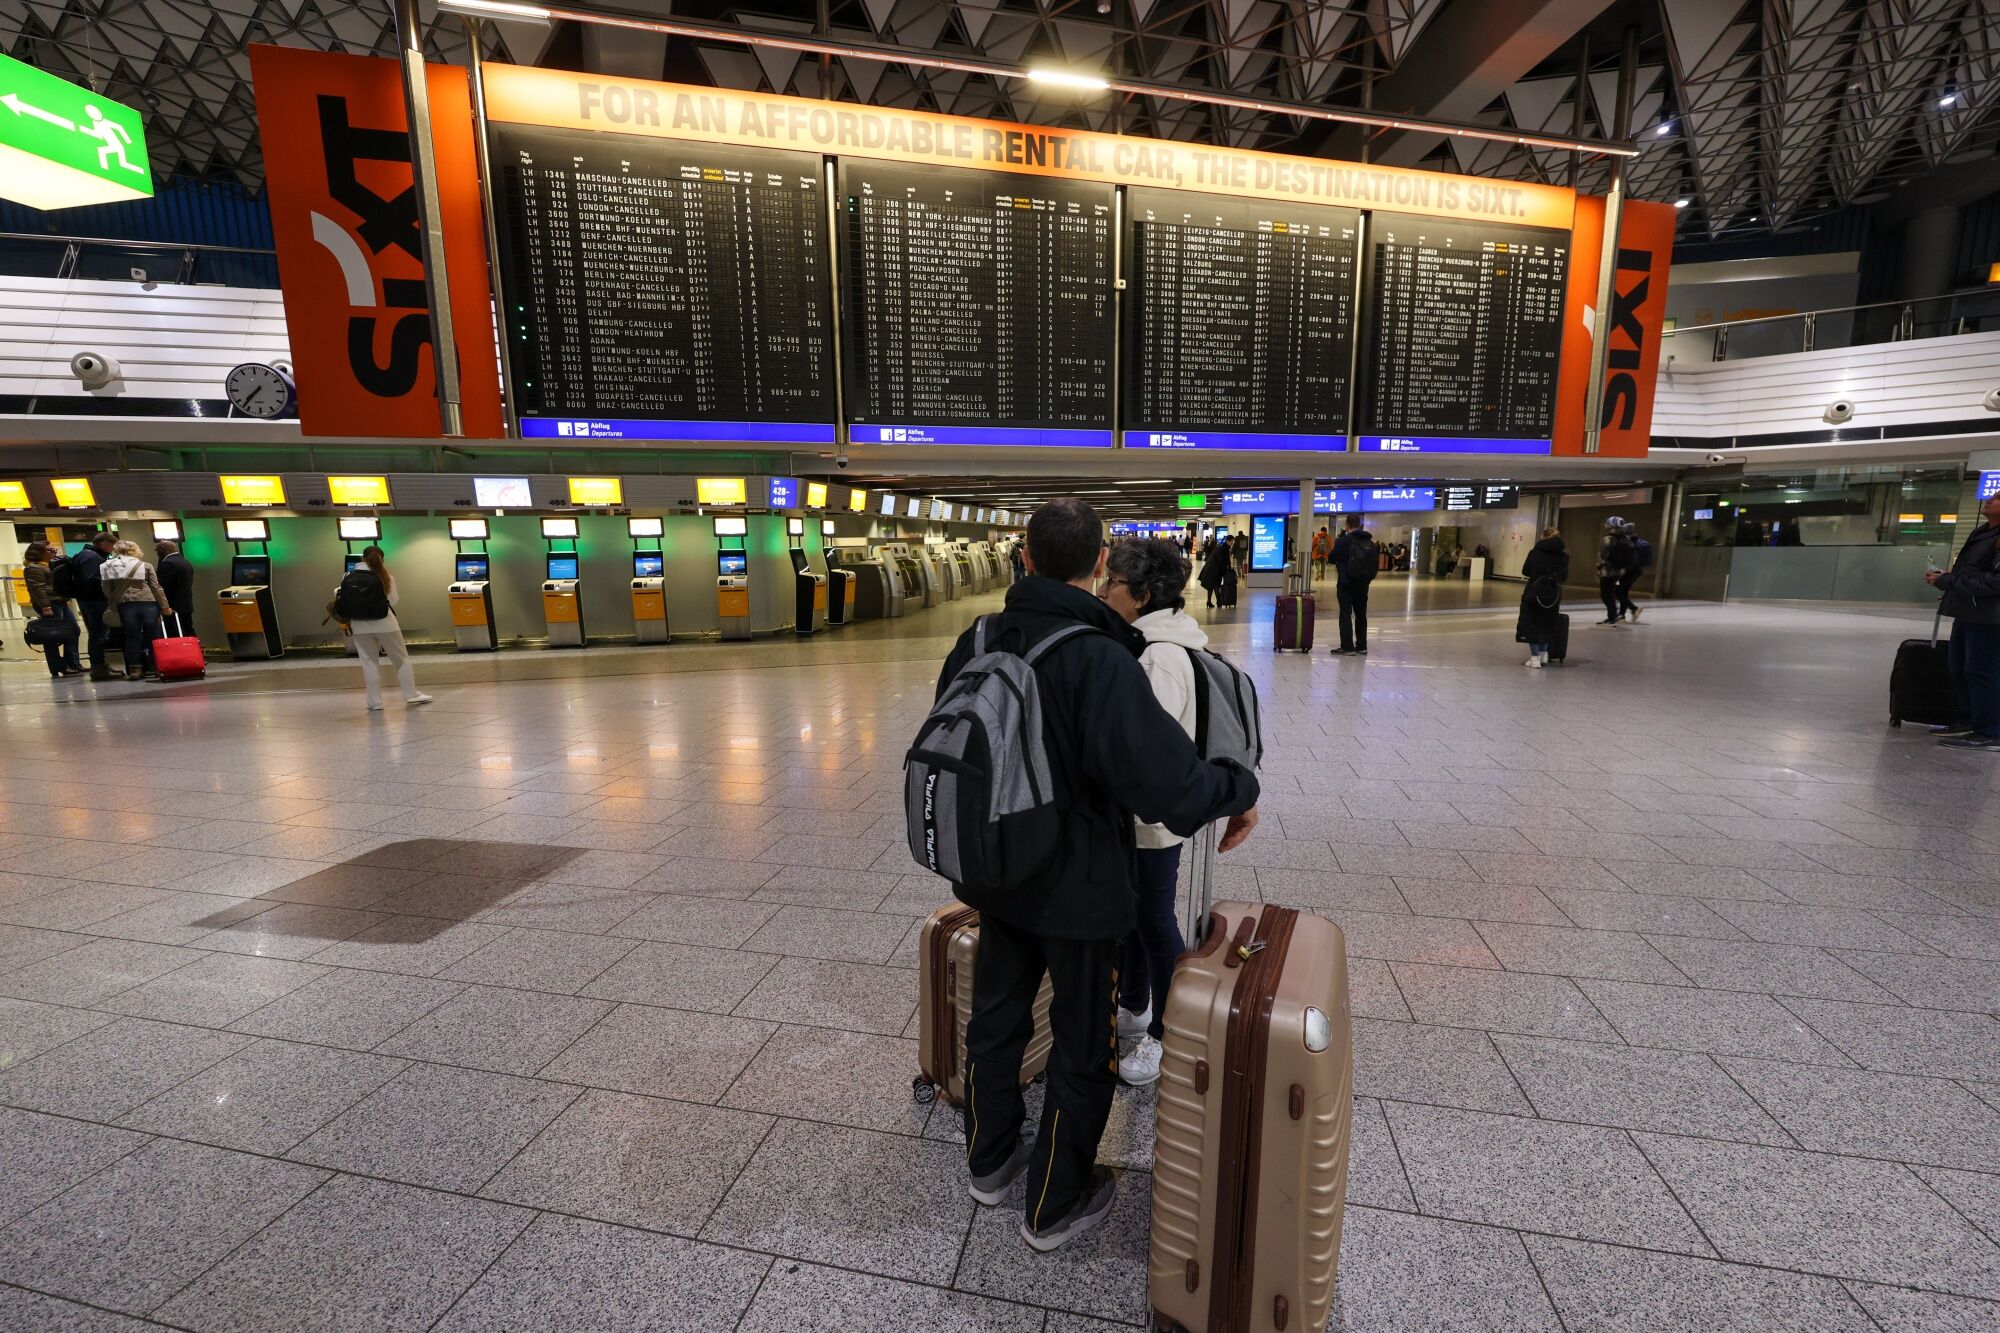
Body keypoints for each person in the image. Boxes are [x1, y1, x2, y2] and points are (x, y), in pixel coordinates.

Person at [941, 498, 1259, 1253]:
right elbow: (1167, 787)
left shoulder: (977, 637)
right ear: (1096, 569)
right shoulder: (1099, 657)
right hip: (1079, 892)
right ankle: (1054, 1201)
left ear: (1022, 558)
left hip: (997, 870)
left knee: (997, 1014)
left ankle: (988, 1163)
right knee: (1084, 1045)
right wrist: (1238, 790)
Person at [1098, 537, 1208, 1087]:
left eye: (1113, 583)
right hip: (1142, 815)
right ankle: (1136, 1004)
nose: (1104, 590)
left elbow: (1143, 748)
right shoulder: (1150, 641)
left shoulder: (1159, 656)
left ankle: (1170, 1034)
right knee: (1136, 919)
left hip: (1152, 819)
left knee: (1156, 923)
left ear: (1140, 595)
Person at [1927, 490, 2000, 748]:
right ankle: (1968, 721)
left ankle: (1990, 731)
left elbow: (1995, 582)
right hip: (1968, 612)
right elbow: (1974, 572)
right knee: (1960, 668)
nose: (1989, 500)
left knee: (1982, 672)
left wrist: (1950, 581)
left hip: (1990, 618)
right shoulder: (1983, 532)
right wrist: (1948, 578)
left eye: (1998, 498)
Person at [333, 546, 433, 712]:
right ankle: (410, 694)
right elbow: (392, 601)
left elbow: (341, 596)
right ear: (382, 559)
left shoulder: (347, 576)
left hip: (358, 626)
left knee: (369, 663)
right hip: (385, 624)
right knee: (401, 659)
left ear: (363, 558)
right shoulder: (386, 577)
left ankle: (374, 702)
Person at [97, 540, 170, 680]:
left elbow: (106, 589)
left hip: (125, 604)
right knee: (154, 636)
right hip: (148, 602)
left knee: (132, 636)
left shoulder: (106, 566)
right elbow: (156, 587)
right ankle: (157, 667)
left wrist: (113, 603)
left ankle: (135, 669)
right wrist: (165, 606)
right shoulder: (145, 565)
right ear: (134, 550)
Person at [21, 541, 84, 680]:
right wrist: (45, 606)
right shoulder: (34, 568)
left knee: (73, 631)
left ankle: (73, 663)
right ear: (39, 552)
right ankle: (57, 667)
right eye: (51, 550)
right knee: (51, 636)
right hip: (50, 604)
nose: (55, 552)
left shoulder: (50, 565)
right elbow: (37, 589)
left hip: (60, 602)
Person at [1517, 527, 1570, 668]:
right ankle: (1543, 655)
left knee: (1532, 623)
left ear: (1543, 537)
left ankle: (1534, 659)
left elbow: (1526, 571)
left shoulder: (1535, 553)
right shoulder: (1564, 556)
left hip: (1535, 592)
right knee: (1548, 622)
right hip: (1553, 593)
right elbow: (1564, 577)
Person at [1330, 514, 1378, 656]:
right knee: (1361, 614)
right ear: (1360, 524)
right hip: (1363, 584)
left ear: (1347, 525)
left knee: (1346, 613)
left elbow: (1331, 558)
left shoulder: (1344, 540)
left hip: (1346, 583)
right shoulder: (1370, 541)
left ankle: (1347, 647)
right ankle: (1362, 646)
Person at [72, 531, 117, 680]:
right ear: (104, 543)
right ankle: (98, 668)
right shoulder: (91, 557)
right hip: (94, 601)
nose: (114, 548)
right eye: (113, 545)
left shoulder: (85, 555)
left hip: (87, 600)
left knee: (97, 633)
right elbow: (92, 579)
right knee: (99, 634)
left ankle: (100, 666)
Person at [1595, 517, 1636, 626]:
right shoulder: (1626, 538)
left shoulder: (1608, 539)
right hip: (1619, 571)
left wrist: (1599, 565)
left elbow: (1604, 555)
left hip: (1608, 571)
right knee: (1611, 593)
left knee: (1606, 594)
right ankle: (1613, 616)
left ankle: (1612, 618)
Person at [154, 539, 196, 639]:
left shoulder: (168, 563)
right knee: (187, 630)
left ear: (162, 551)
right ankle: (193, 652)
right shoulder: (184, 561)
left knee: (175, 632)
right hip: (185, 603)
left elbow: (159, 584)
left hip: (173, 605)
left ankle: (180, 654)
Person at [1615, 521, 1647, 623]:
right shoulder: (1636, 540)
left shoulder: (1625, 542)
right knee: (1623, 592)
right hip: (1636, 571)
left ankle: (1634, 609)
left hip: (1627, 571)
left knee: (1617, 591)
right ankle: (1622, 615)